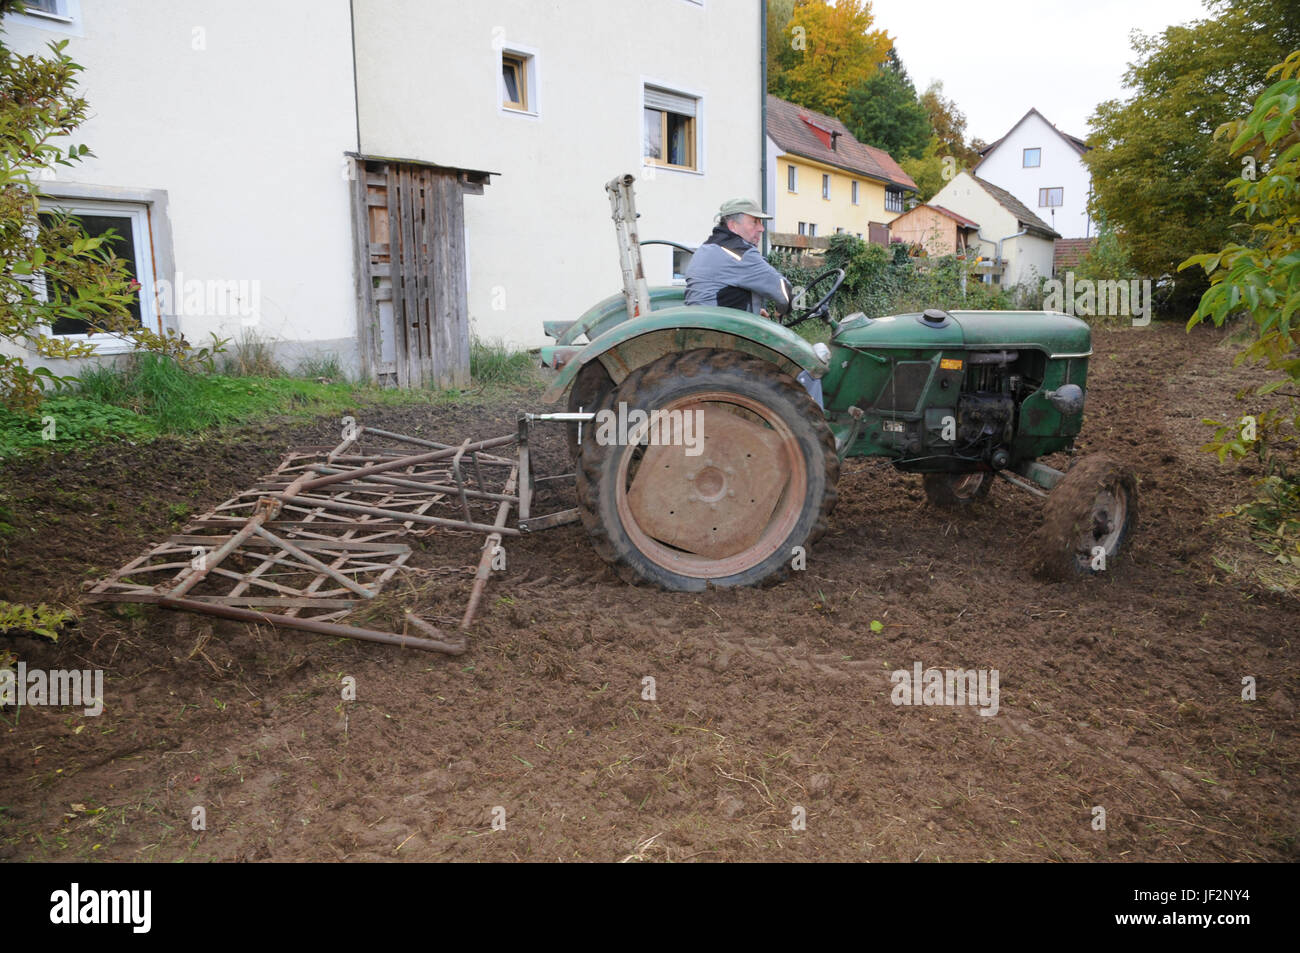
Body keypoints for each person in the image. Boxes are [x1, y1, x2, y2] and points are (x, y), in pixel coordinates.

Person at [684, 198, 793, 318]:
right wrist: (783, 309)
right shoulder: (740, 254)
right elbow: (783, 291)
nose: (761, 228)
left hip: (700, 324)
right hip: (721, 329)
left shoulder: (707, 248)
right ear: (733, 225)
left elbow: (715, 294)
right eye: (755, 222)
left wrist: (752, 310)